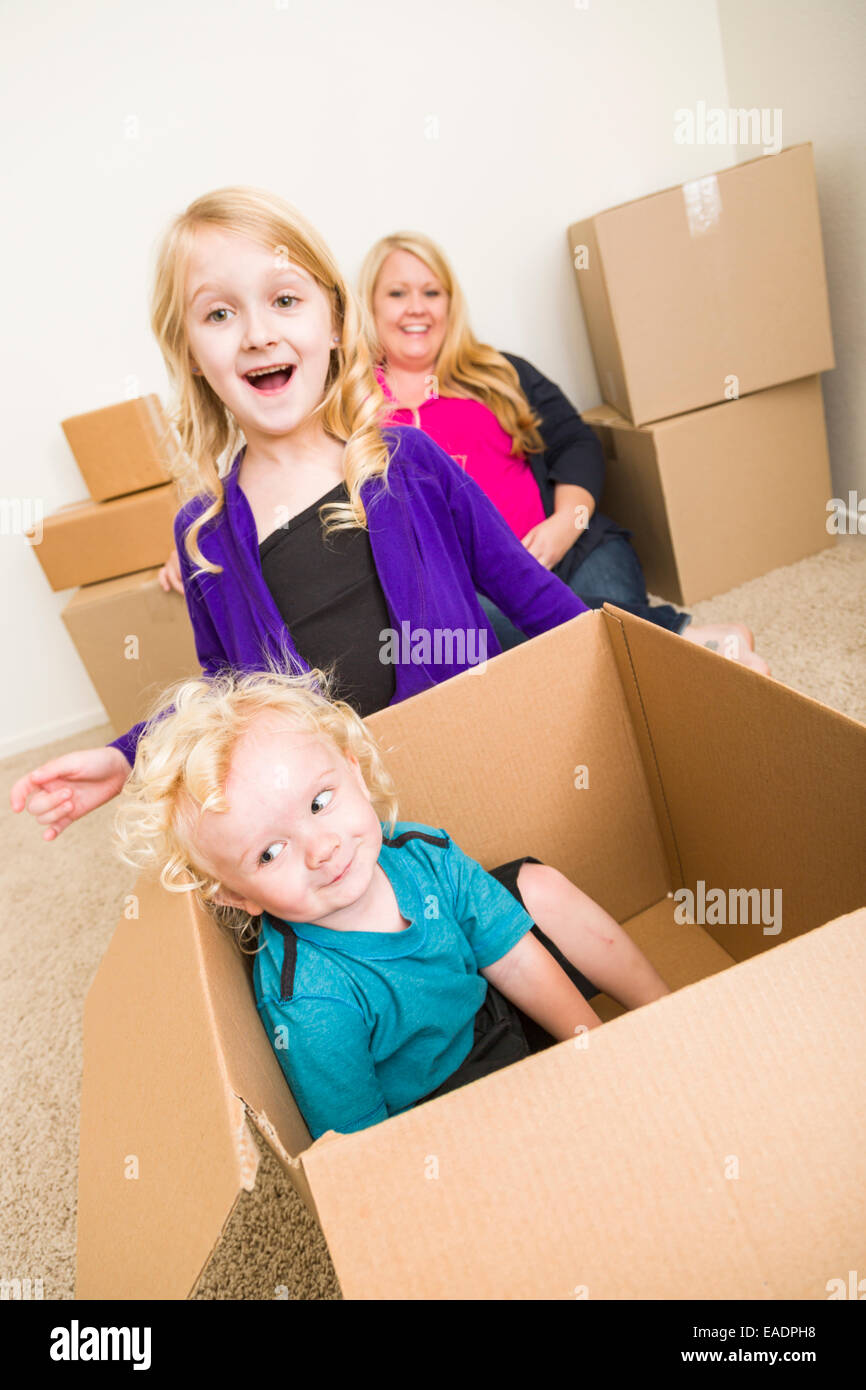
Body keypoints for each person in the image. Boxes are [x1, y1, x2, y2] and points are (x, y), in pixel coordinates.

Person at [113, 666, 671, 1139]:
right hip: (445, 1107)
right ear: (237, 895)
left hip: (490, 1007)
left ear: (354, 772)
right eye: (270, 852)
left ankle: (667, 1013)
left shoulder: (421, 852)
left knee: (537, 885)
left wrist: (594, 1050)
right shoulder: (311, 1002)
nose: (321, 848)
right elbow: (364, 1143)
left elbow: (517, 960)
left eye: (320, 802)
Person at [354, 230, 769, 672]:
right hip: (475, 590)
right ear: (371, 305)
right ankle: (691, 638)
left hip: (572, 551)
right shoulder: (353, 407)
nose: (417, 307)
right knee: (472, 633)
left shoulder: (502, 372)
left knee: (603, 657)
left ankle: (678, 654)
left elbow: (576, 443)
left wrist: (563, 527)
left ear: (450, 304)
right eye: (398, 293)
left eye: (431, 292)